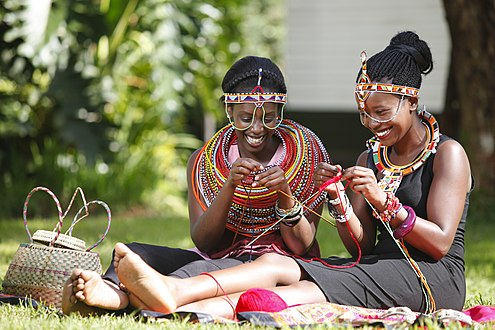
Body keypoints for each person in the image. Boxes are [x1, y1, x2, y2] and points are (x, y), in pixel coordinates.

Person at [65, 31, 474, 319]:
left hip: (433, 278)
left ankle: (168, 297)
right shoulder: (373, 158)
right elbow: (361, 248)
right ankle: (175, 304)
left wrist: (385, 203)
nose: (370, 123)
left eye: (381, 113)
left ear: (412, 100)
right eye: (364, 113)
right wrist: (338, 197)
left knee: (296, 282)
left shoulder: (448, 154)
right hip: (376, 267)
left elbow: (438, 243)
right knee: (279, 273)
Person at [62, 55, 331, 314]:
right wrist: (229, 187)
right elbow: (205, 241)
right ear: (229, 110)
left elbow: (302, 248)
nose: (257, 128)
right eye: (246, 118)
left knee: (197, 272)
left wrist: (285, 194)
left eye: (269, 118)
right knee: (136, 252)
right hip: (218, 256)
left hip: (273, 264)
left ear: (280, 112)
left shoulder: (308, 157)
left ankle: (127, 298)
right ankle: (110, 290)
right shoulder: (203, 162)